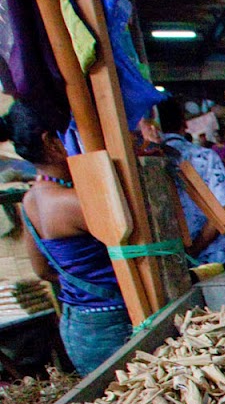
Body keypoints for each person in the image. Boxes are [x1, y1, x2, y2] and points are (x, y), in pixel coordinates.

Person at [3, 100, 132, 373]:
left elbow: (43, 271)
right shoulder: (75, 202)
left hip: (77, 323)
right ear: (52, 142)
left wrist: (84, 280)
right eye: (74, 130)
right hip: (114, 324)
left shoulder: (30, 200)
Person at [145, 105, 225, 267]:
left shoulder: (145, 164)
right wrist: (195, 249)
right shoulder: (205, 156)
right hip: (215, 259)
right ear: (184, 124)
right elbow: (223, 209)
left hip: (169, 264)